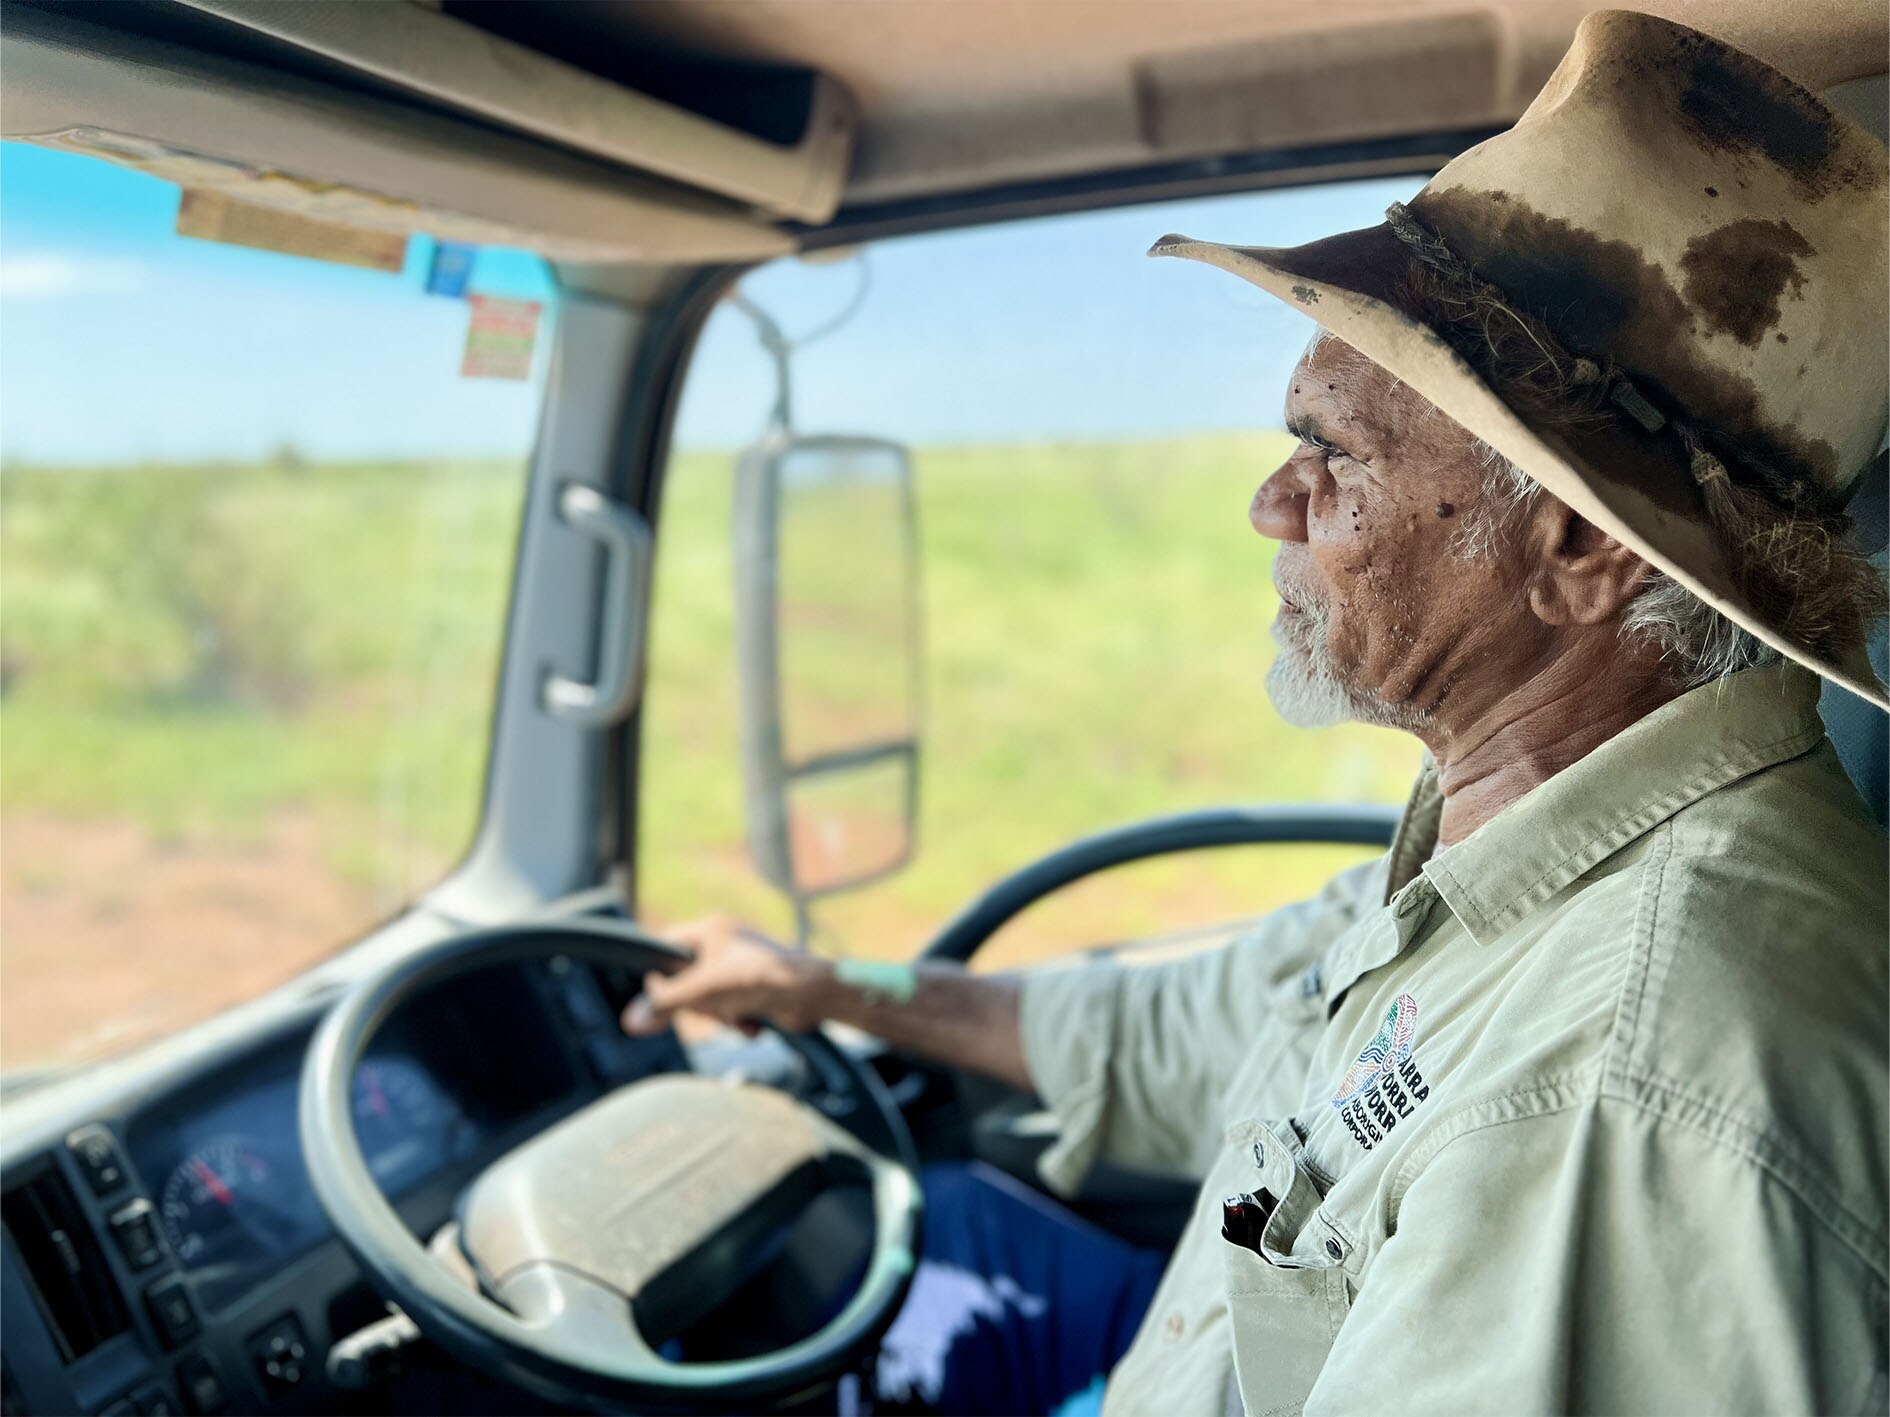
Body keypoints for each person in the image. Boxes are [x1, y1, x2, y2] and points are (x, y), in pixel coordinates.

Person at [625, 12, 1889, 1414]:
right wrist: (830, 991)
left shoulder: (1624, 1081)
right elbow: (1220, 1025)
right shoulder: (1519, 853)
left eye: (1329, 454)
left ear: (1582, 554)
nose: (1267, 505)